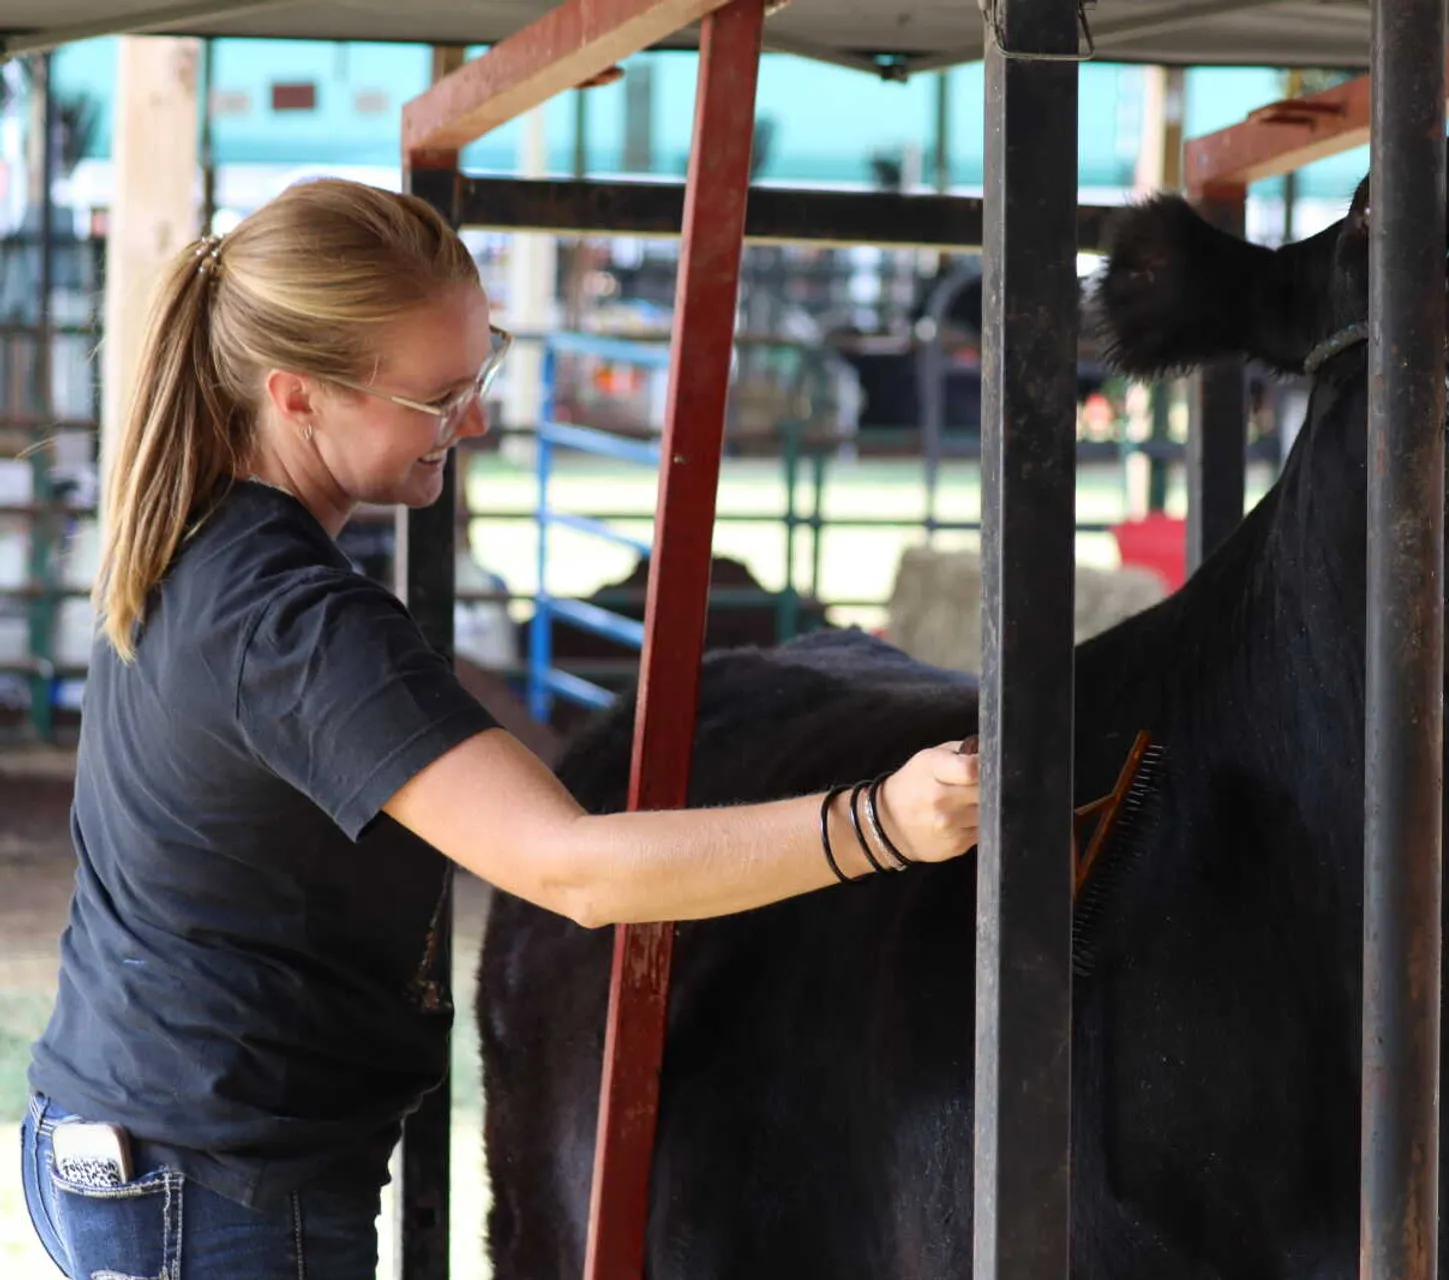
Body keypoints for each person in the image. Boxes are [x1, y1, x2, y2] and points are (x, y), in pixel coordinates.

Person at [16, 178, 980, 1280]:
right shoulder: (293, 621)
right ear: (298, 397)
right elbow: (569, 868)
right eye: (438, 395)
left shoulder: (212, 547)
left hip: (151, 1142)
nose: (473, 419)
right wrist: (879, 823)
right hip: (219, 1185)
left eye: (482, 373)